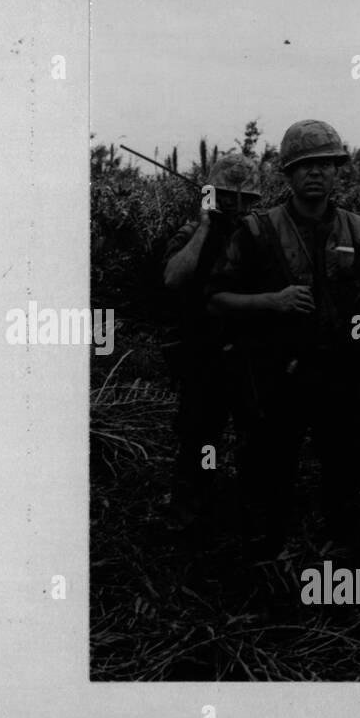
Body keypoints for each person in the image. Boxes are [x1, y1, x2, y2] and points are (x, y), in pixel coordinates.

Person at [205, 120, 360, 557]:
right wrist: (273, 301)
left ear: (338, 171)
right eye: (305, 166)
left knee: (348, 463)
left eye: (325, 164)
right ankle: (266, 553)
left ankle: (343, 546)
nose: (316, 173)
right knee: (268, 467)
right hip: (274, 375)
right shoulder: (256, 231)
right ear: (287, 173)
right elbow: (215, 298)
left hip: (341, 375)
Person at [160, 153, 262, 534]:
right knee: (201, 438)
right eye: (225, 197)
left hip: (251, 355)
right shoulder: (192, 233)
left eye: (243, 199)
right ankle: (191, 509)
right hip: (202, 354)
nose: (234, 206)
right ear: (211, 196)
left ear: (254, 201)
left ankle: (247, 511)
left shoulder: (263, 236)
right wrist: (205, 227)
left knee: (255, 436)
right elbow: (173, 279)